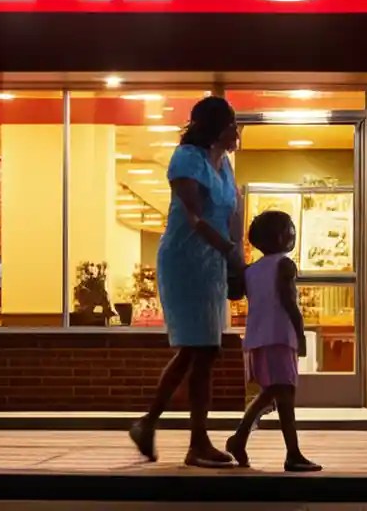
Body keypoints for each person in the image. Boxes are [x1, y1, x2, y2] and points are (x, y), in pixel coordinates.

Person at [130, 96, 244, 469]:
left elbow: (233, 211)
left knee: (203, 351)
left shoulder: (224, 165)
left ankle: (152, 424)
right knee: (200, 350)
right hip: (183, 261)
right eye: (232, 123)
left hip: (212, 264)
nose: (237, 131)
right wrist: (229, 251)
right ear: (215, 127)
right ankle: (194, 441)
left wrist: (236, 260)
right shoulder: (187, 160)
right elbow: (194, 218)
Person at [224, 210, 321, 473]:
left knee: (274, 392)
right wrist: (300, 334)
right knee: (283, 393)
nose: (293, 232)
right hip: (280, 335)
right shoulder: (285, 265)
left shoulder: (250, 270)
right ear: (281, 237)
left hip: (257, 337)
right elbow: (290, 303)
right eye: (290, 228)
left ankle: (241, 439)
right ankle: (291, 454)